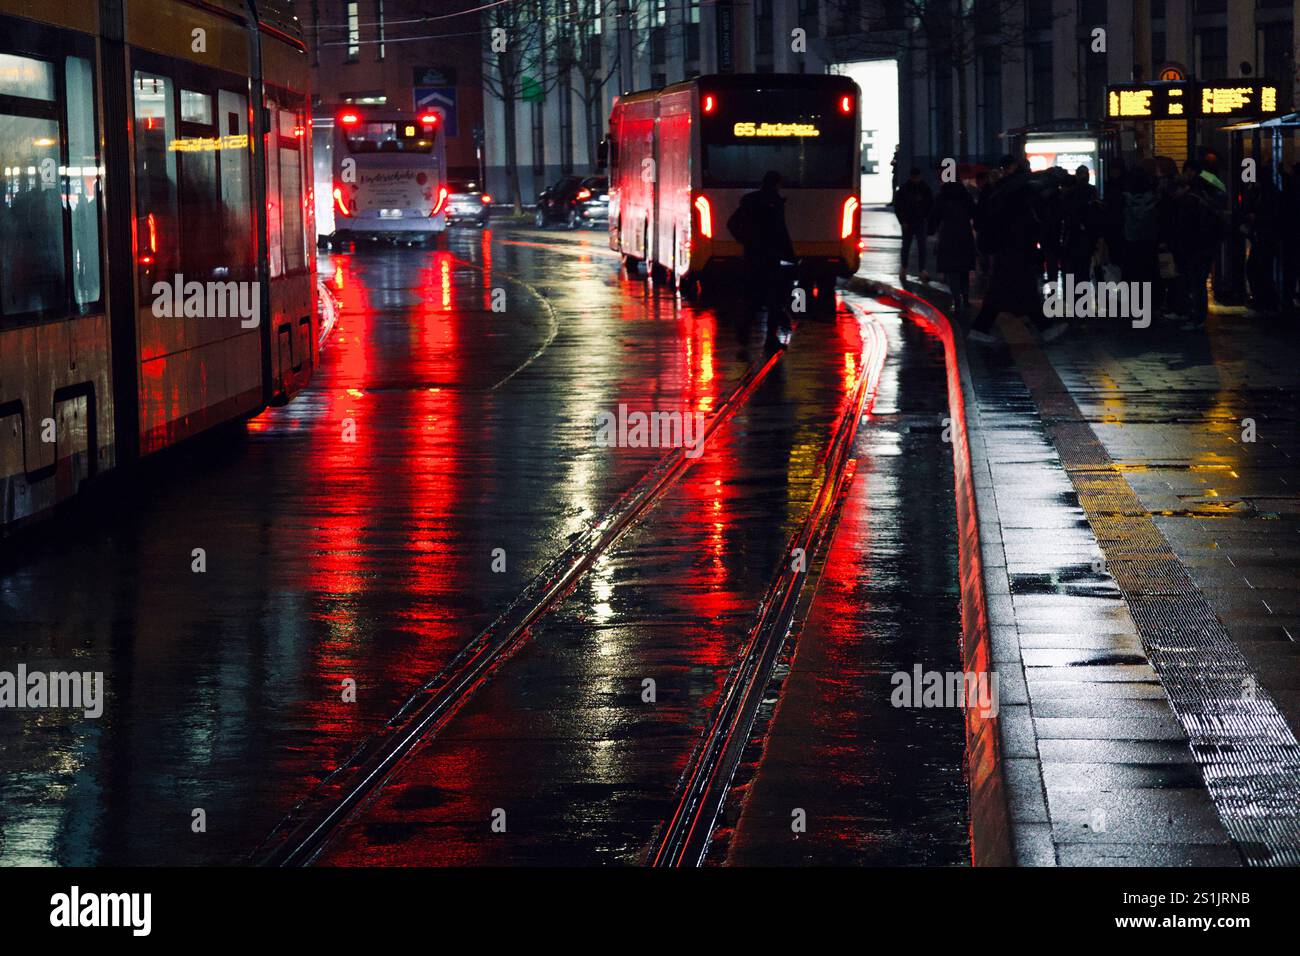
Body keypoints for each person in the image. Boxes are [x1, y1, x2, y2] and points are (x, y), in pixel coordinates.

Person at [968, 156, 1068, 344]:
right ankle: (1044, 327)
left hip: (1008, 249)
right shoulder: (1018, 195)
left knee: (1005, 292)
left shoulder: (1005, 190)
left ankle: (981, 328)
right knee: (1020, 291)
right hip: (1014, 250)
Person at [728, 170, 797, 343]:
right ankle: (770, 338)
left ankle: (743, 332)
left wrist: (744, 240)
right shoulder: (775, 203)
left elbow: (732, 223)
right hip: (770, 258)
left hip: (751, 256)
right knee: (774, 299)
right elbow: (781, 232)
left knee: (752, 297)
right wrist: (791, 256)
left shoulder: (750, 201)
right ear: (777, 184)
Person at [928, 179, 977, 318]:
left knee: (952, 271)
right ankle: (966, 298)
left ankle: (957, 299)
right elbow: (974, 213)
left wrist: (931, 230)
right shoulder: (965, 196)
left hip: (948, 236)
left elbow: (934, 216)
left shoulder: (942, 197)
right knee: (964, 269)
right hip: (965, 235)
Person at [893, 167, 933, 283]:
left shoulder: (905, 189)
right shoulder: (924, 188)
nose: (916, 179)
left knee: (909, 246)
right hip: (915, 221)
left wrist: (903, 220)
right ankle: (919, 270)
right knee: (918, 246)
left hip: (912, 222)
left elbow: (898, 206)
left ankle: (906, 268)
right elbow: (929, 205)